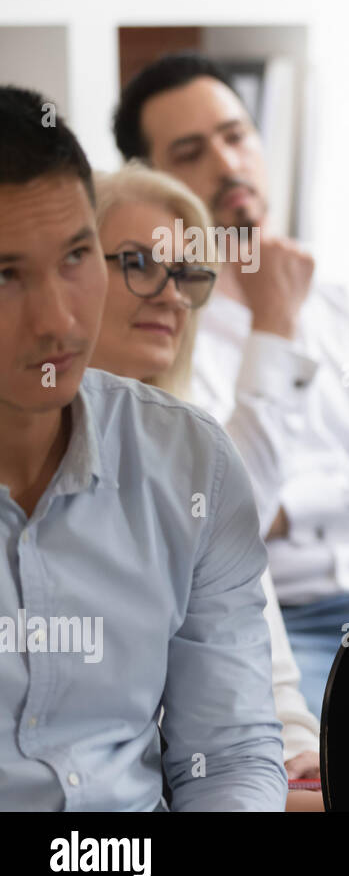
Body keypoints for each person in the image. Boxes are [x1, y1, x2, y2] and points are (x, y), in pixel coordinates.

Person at [0, 84, 286, 810]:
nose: (59, 321)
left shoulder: (189, 460)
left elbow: (228, 754)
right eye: (5, 276)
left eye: (75, 257)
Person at [112, 53, 349, 718]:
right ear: (155, 185)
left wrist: (292, 508)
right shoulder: (159, 330)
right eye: (191, 151)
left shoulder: (346, 308)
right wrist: (273, 324)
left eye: (235, 135)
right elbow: (224, 517)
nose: (227, 166)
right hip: (281, 627)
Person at [88, 162, 322, 806]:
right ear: (71, 268)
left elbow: (263, 684)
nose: (168, 293)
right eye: (138, 262)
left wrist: (300, 753)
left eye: (187, 274)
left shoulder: (197, 458)